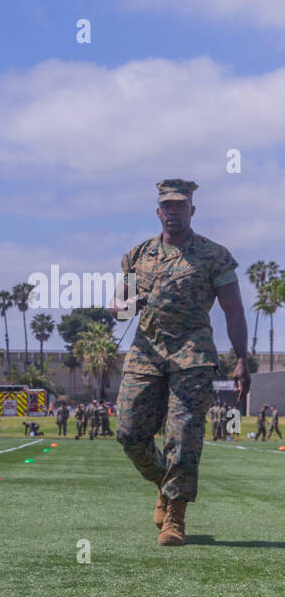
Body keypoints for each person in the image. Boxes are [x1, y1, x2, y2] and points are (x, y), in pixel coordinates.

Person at [112, 179, 251, 546]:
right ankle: (163, 481)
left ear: (192, 210)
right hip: (146, 353)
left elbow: (233, 309)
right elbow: (120, 307)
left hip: (193, 355)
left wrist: (241, 359)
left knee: (183, 435)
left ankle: (175, 516)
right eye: (167, 206)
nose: (173, 211)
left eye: (180, 205)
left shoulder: (213, 255)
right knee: (128, 433)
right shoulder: (136, 255)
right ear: (158, 211)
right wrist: (124, 306)